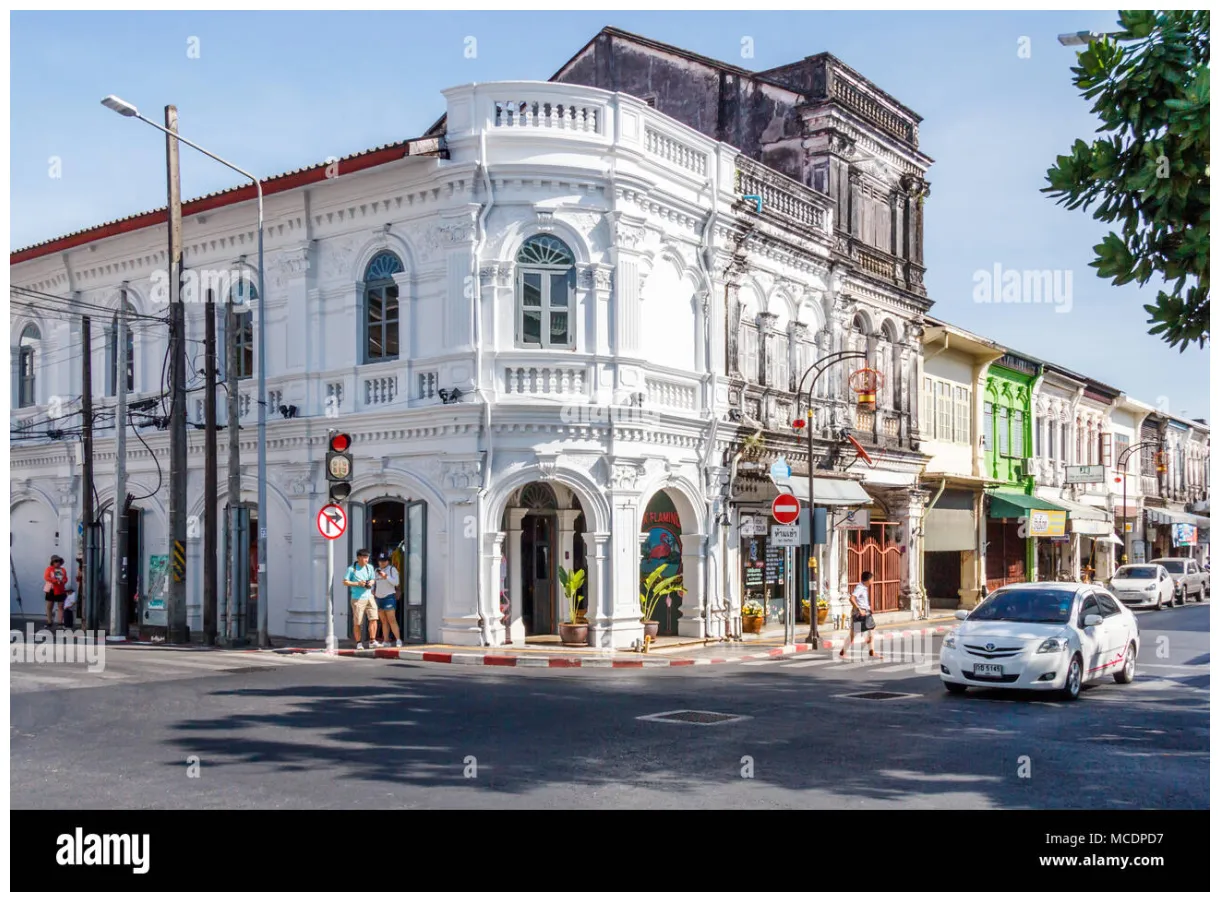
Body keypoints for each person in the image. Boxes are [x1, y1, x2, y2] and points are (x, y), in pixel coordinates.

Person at [840, 570, 882, 660]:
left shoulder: (863, 587)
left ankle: (872, 651)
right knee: (854, 633)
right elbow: (852, 598)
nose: (872, 581)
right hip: (859, 614)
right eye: (872, 579)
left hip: (865, 613)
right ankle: (842, 652)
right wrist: (859, 609)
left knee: (871, 629)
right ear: (868, 580)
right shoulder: (860, 587)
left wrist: (868, 609)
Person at [342, 548, 379, 650]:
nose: (366, 559)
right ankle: (358, 643)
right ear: (358, 557)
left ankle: (372, 640)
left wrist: (371, 582)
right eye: (364, 557)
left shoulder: (370, 567)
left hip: (369, 596)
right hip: (357, 599)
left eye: (367, 557)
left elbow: (373, 579)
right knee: (358, 622)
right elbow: (345, 582)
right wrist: (358, 583)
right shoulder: (351, 569)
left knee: (374, 618)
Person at [373, 552, 402, 648]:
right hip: (379, 597)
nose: (382, 563)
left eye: (384, 561)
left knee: (391, 619)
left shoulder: (392, 569)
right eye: (380, 561)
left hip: (389, 596)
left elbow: (396, 582)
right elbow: (374, 583)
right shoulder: (376, 570)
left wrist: (386, 577)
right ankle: (386, 641)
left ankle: (398, 640)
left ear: (388, 561)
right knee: (383, 620)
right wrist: (373, 590)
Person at [44, 555, 69, 629]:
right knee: (49, 606)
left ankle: (60, 622)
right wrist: (55, 581)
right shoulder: (49, 569)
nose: (57, 563)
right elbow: (46, 577)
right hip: (51, 589)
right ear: (52, 562)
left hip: (60, 589)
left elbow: (65, 578)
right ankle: (49, 621)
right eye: (56, 561)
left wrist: (63, 581)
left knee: (61, 606)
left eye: (58, 561)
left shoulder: (62, 570)